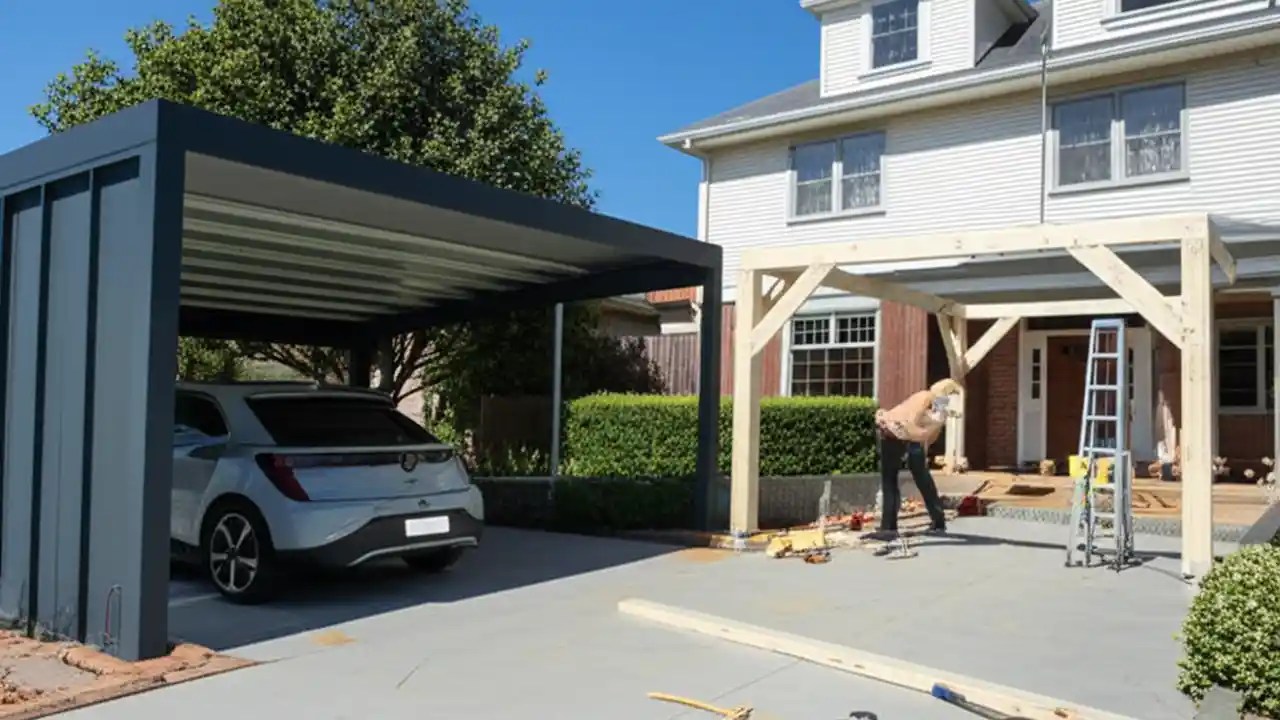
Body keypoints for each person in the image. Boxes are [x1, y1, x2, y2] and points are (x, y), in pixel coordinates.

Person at [871, 378, 960, 549]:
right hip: (896, 432)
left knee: (905, 478)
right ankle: (892, 526)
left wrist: (930, 430)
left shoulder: (937, 405)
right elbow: (911, 422)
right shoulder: (926, 397)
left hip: (900, 436)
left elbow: (931, 434)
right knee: (901, 478)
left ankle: (893, 527)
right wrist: (922, 435)